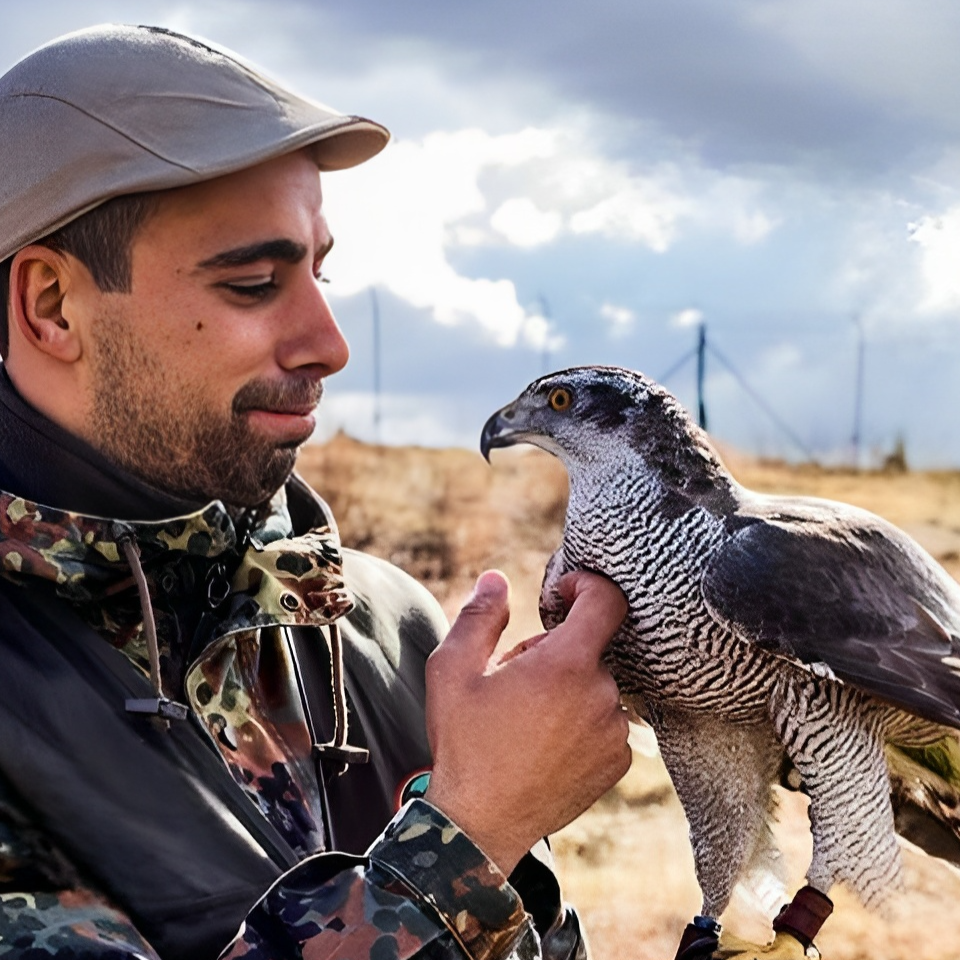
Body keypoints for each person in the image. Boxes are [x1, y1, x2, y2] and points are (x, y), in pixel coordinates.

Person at [0, 24, 631, 960]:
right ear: (53, 306)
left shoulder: (395, 631)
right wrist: (466, 842)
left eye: (319, 269)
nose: (328, 342)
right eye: (254, 283)